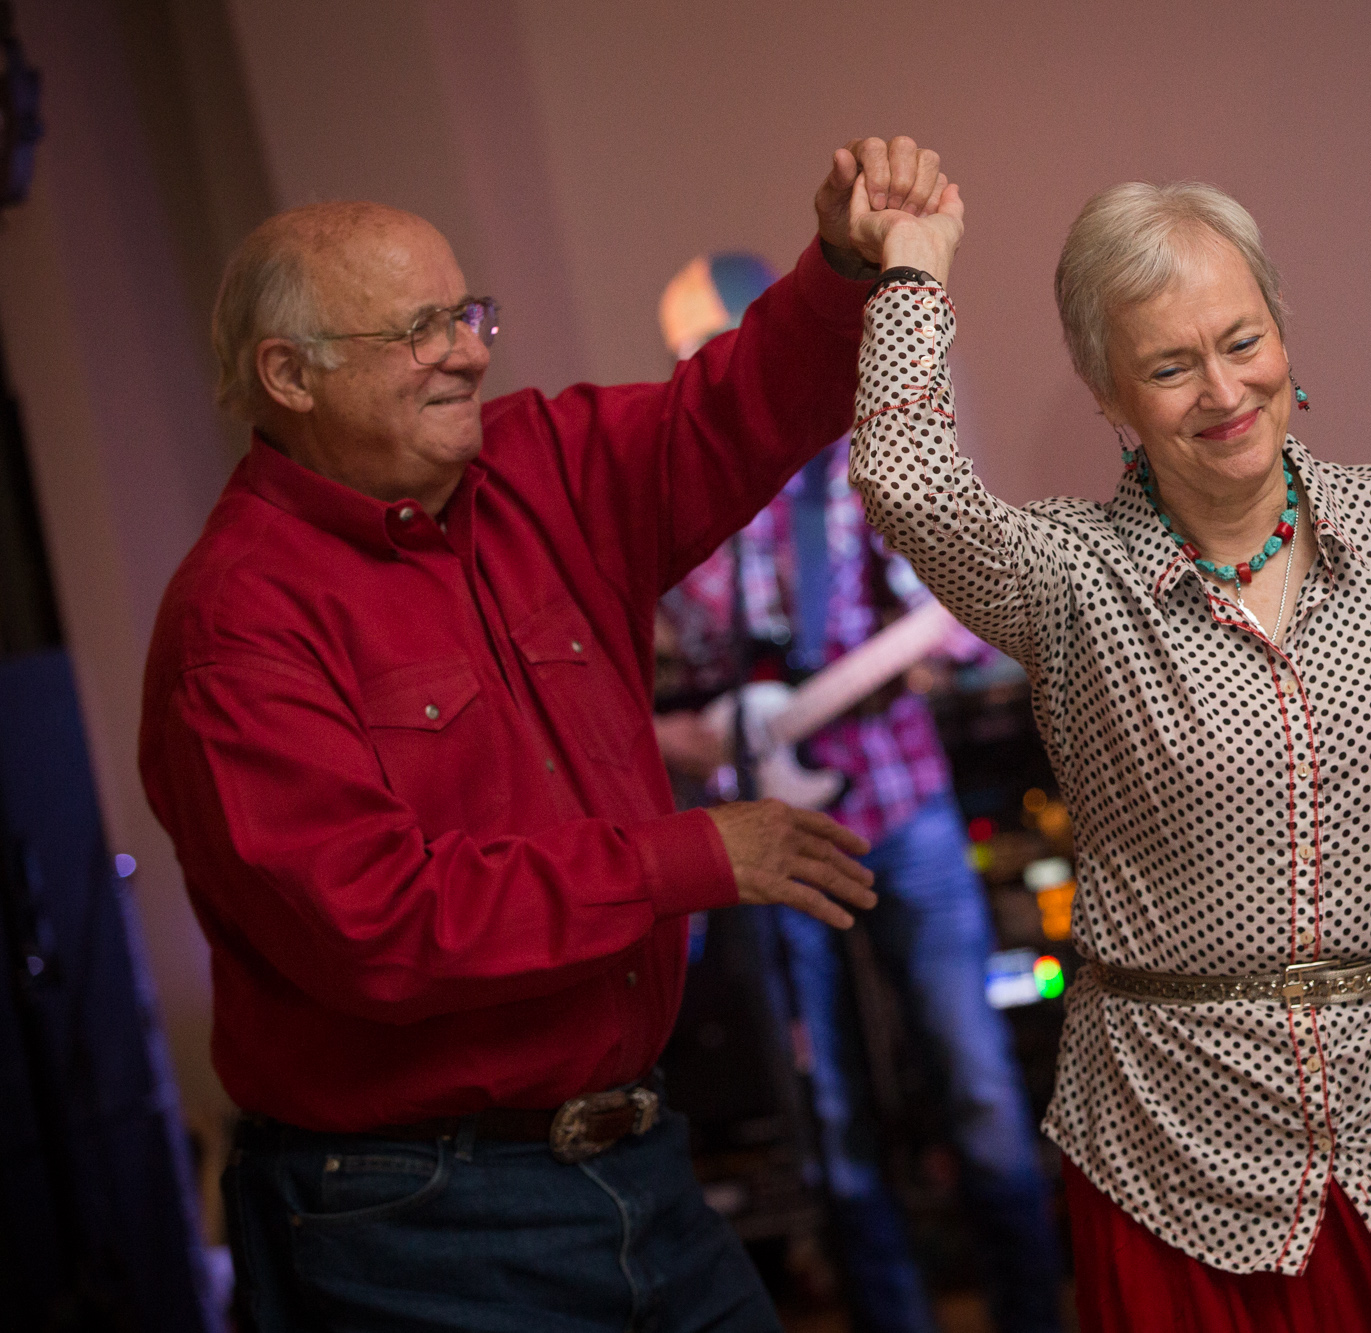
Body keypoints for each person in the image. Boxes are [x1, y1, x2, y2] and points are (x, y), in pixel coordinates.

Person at [139, 135, 955, 1333]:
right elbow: (380, 923)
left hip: (633, 1162)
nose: (466, 349)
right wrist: (689, 854)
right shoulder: (237, 622)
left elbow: (739, 409)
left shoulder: (543, 468)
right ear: (289, 374)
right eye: (418, 330)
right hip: (411, 1223)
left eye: (467, 313)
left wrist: (839, 262)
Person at [850, 177, 1371, 1331]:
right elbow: (904, 481)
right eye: (1168, 366)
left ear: (1282, 331)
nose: (1224, 391)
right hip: (1179, 1151)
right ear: (1106, 395)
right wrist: (913, 263)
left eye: (1242, 341)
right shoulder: (1065, 579)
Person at [651, 253, 1062, 1333]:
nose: (684, 365)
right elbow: (656, 673)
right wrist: (686, 733)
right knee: (824, 1114)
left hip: (896, 803)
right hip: (769, 835)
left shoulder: (851, 461)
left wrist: (823, 697)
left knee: (973, 1086)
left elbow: (940, 623)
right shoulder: (683, 493)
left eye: (699, 339)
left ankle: (1034, 1312)